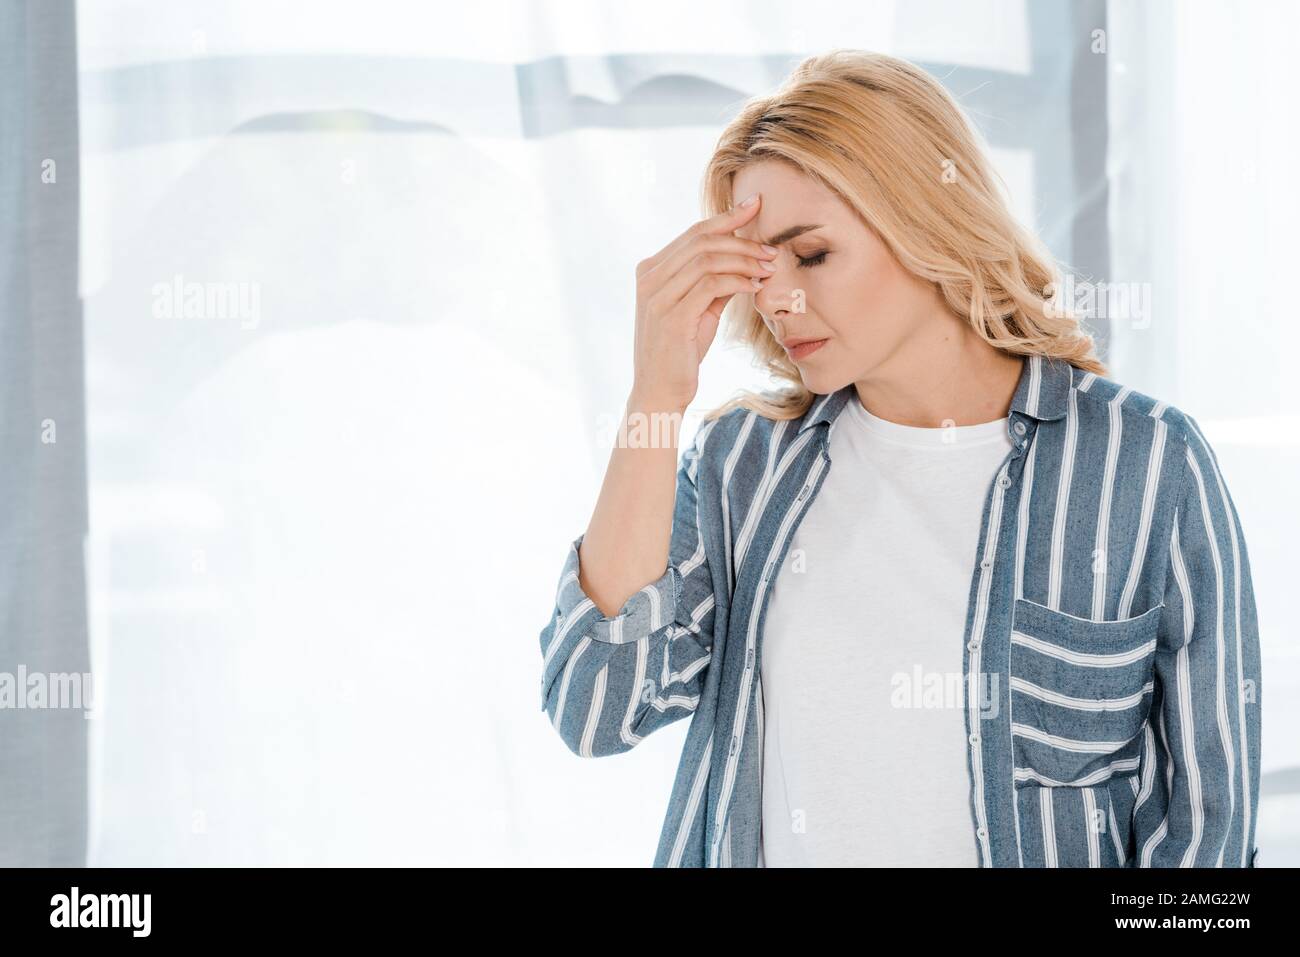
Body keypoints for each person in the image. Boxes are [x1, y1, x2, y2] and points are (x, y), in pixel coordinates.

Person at [537, 49, 1261, 868]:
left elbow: (1208, 839)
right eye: (759, 270)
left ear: (926, 222)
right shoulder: (742, 464)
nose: (776, 300)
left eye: (810, 255)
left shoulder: (1151, 466)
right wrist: (654, 398)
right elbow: (595, 708)